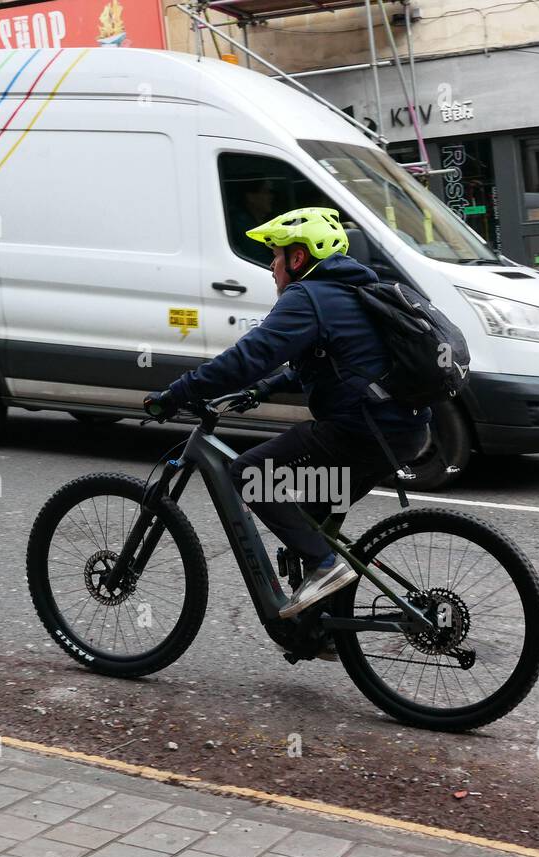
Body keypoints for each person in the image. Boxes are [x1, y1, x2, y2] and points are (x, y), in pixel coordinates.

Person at [144, 207, 430, 620]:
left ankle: (325, 568)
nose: (272, 267)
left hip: (361, 433)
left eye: (276, 256)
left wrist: (177, 393)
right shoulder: (352, 292)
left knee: (248, 474)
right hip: (405, 431)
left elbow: (250, 355)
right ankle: (323, 626)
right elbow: (337, 367)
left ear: (298, 259)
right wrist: (263, 389)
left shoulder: (307, 296)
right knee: (309, 516)